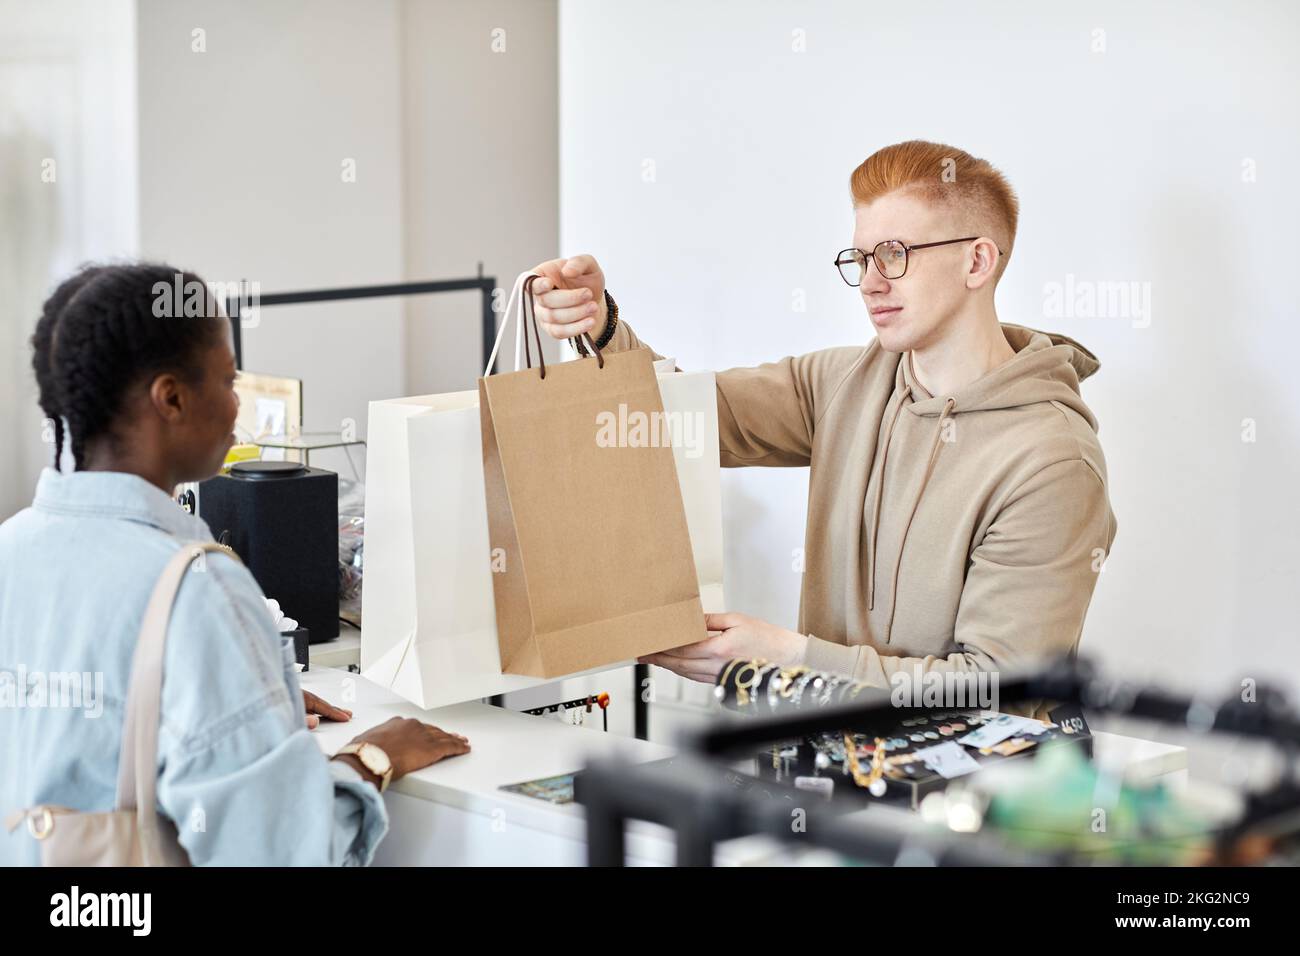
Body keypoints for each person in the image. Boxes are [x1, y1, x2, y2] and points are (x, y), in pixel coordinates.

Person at [530, 141, 1117, 710]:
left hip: (956, 796)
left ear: (977, 261)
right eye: (861, 259)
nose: (870, 282)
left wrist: (789, 660)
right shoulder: (844, 382)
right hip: (816, 768)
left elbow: (994, 694)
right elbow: (679, 422)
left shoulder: (1052, 463)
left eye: (894, 253)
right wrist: (603, 326)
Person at [0, 263, 469, 866]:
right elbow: (279, 852)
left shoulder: (12, 549)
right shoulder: (196, 586)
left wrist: (239, 705)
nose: (236, 406)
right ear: (171, 398)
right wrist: (370, 758)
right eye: (227, 380)